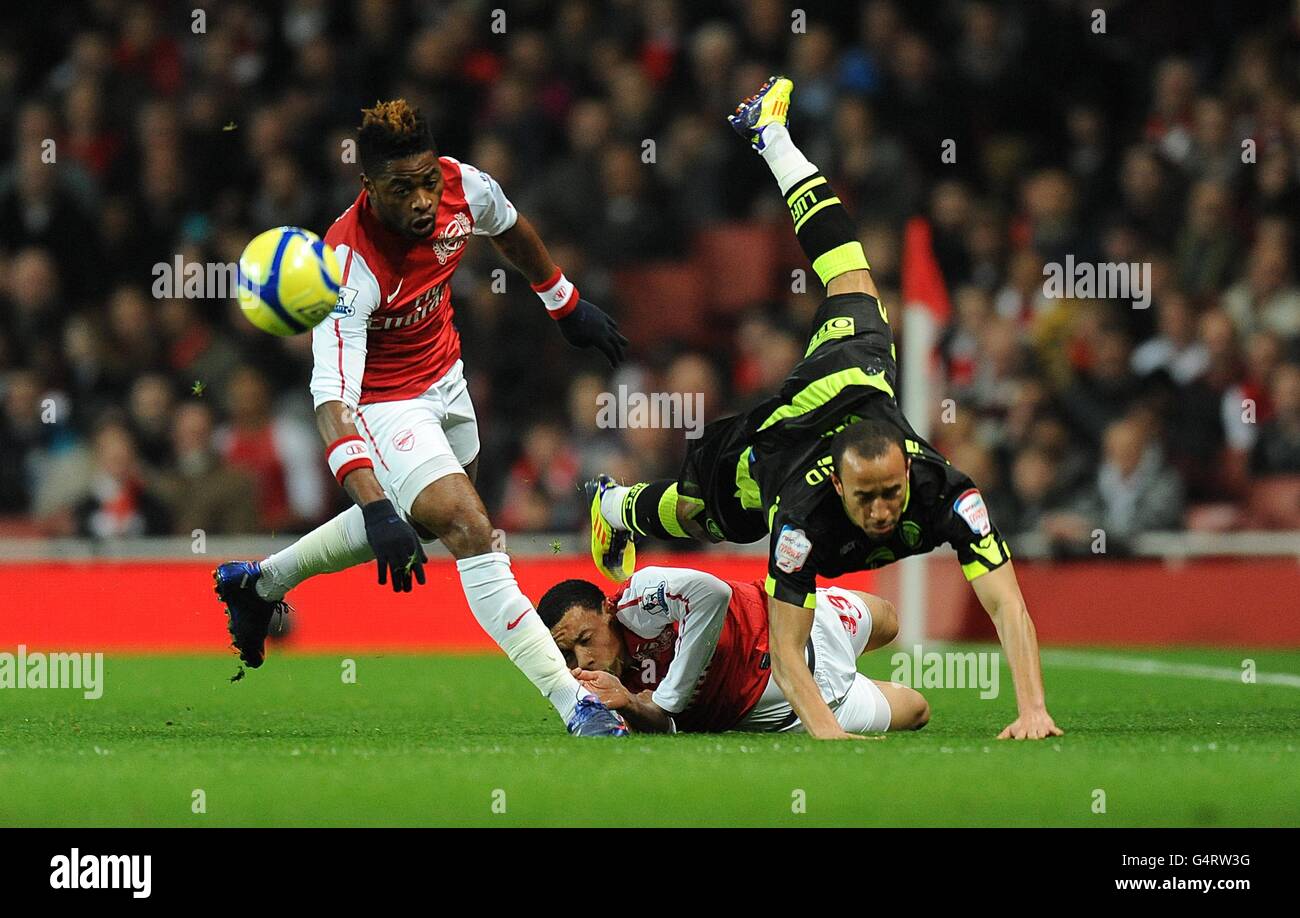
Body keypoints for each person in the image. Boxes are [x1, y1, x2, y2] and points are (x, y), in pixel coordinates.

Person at [587, 78, 1061, 740]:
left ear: (905, 472)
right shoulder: (800, 522)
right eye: (867, 498)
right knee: (705, 516)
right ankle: (611, 506)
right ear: (839, 484)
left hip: (859, 383)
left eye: (890, 492)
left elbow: (1006, 602)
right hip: (768, 452)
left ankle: (769, 132)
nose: (882, 511)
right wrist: (828, 738)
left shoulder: (947, 495)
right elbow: (786, 655)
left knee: (856, 278)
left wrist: (1033, 709)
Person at [214, 100, 629, 737]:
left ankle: (261, 584)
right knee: (467, 528)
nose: (421, 201)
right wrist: (372, 504)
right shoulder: (347, 269)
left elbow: (511, 225)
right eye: (400, 189)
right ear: (368, 188)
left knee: (421, 518)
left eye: (427, 181)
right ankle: (577, 705)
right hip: (383, 405)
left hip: (446, 380)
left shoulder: (463, 187)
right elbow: (333, 405)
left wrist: (563, 301)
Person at [537, 566, 929, 735]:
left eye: (586, 640)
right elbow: (666, 729)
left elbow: (712, 592)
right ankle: (850, 682)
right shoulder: (607, 691)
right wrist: (635, 707)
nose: (584, 660)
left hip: (798, 624)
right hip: (785, 707)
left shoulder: (637, 602)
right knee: (917, 710)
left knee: (890, 621)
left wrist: (667, 700)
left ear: (606, 610)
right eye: (570, 654)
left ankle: (849, 663)